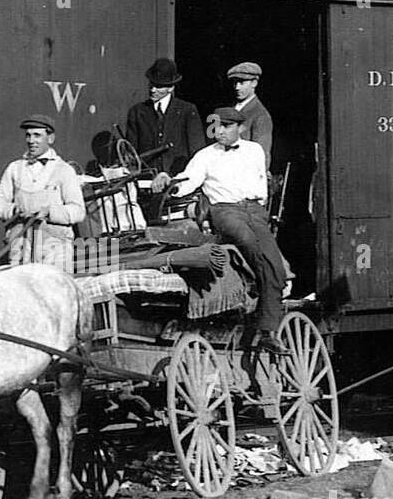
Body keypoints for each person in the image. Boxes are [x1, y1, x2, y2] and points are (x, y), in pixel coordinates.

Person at [152, 107, 294, 350]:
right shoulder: (205, 156)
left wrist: (258, 207)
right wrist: (169, 182)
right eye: (216, 126)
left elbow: (260, 182)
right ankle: (262, 279)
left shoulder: (254, 150)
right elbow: (187, 181)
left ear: (240, 128)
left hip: (254, 210)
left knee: (276, 268)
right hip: (225, 211)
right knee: (247, 240)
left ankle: (268, 331)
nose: (220, 131)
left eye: (226, 126)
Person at [0, 114, 85, 273]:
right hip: (20, 248)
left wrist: (50, 212)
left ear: (51, 138)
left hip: (54, 249)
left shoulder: (64, 170)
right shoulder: (15, 168)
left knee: (53, 294)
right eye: (28, 135)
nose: (31, 140)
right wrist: (14, 210)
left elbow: (78, 211)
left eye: (37, 135)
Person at [123, 57, 204, 175]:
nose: (153, 90)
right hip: (146, 180)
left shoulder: (187, 110)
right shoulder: (137, 112)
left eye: (159, 86)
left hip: (177, 179)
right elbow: (131, 151)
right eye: (151, 84)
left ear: (171, 87)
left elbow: (197, 152)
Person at [225, 61, 273, 153]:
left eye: (242, 82)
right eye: (235, 83)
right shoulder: (231, 108)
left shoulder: (260, 115)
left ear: (254, 83)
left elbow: (261, 155)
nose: (237, 87)